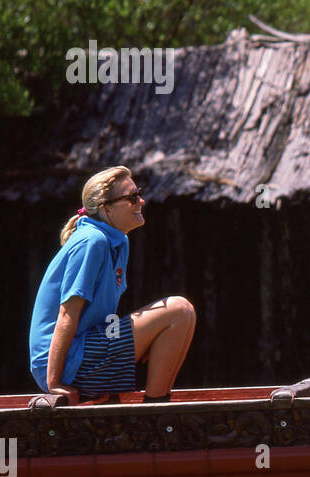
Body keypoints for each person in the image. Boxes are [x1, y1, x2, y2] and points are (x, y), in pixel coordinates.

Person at [29, 166, 196, 404]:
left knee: (186, 313)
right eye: (131, 197)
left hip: (88, 349)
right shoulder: (92, 241)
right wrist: (54, 383)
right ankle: (154, 415)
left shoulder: (119, 242)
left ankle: (157, 408)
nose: (141, 200)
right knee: (178, 310)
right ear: (106, 209)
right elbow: (68, 314)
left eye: (138, 192)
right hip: (66, 363)